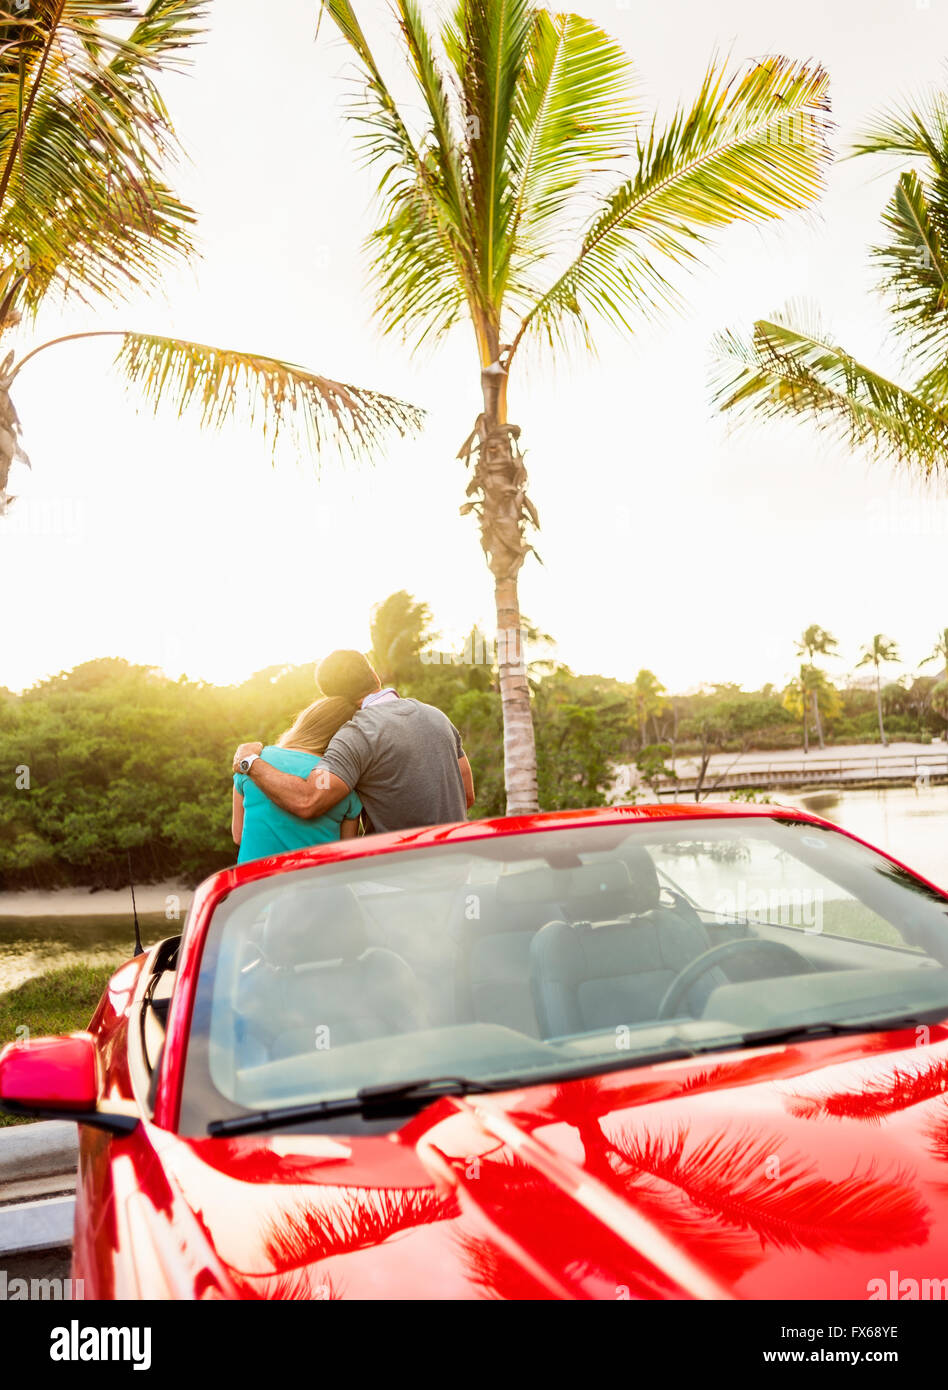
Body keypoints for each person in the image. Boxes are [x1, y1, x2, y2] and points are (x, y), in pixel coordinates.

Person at [232, 650, 475, 833]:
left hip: (396, 880)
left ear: (334, 698)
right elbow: (467, 795)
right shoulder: (436, 716)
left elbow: (309, 800)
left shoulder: (357, 735)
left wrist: (250, 762)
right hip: (456, 866)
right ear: (374, 676)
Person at [232, 695, 363, 864]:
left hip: (254, 885)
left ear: (306, 722)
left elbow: (238, 836)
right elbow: (345, 857)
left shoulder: (251, 761)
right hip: (319, 886)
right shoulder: (343, 782)